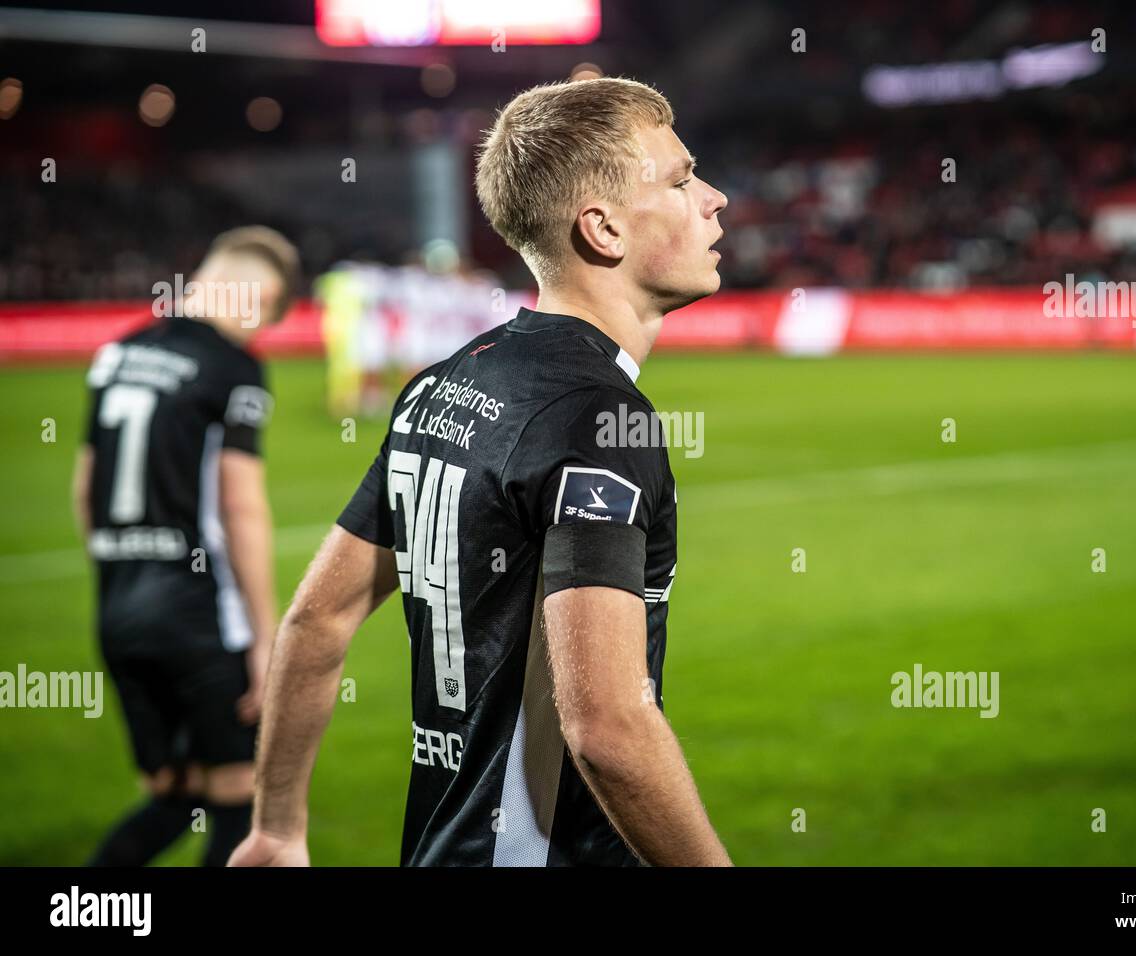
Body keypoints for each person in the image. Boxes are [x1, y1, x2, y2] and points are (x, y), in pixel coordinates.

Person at [231, 77, 731, 866]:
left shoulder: (443, 383)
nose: (715, 198)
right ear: (602, 229)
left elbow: (316, 621)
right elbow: (606, 726)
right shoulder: (600, 418)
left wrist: (275, 827)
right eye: (679, 180)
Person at [75, 226, 299, 866]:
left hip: (119, 612)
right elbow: (240, 506)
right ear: (251, 293)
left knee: (173, 792)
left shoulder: (118, 353)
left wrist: (123, 571)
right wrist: (262, 637)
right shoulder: (233, 367)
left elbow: (85, 487)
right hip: (198, 617)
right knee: (239, 801)